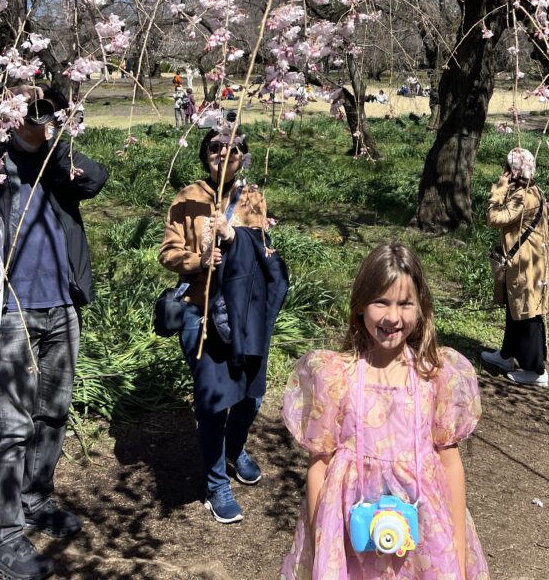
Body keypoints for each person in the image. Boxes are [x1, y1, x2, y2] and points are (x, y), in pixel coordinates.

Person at [280, 244, 489, 580]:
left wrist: (459, 559)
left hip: (425, 540)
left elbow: (451, 464)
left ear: (421, 308)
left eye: (405, 303)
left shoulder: (435, 376)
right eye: (381, 302)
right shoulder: (335, 378)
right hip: (351, 540)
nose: (393, 317)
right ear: (361, 305)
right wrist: (324, 549)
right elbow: (319, 466)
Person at [0, 85, 109, 580]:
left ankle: (36, 498)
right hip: (10, 309)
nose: (33, 117)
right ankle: (3, 535)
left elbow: (97, 179)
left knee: (53, 411)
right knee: (11, 427)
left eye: (43, 109)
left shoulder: (58, 160)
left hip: (61, 304)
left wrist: (57, 138)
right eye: (24, 107)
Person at [159, 129, 288, 524]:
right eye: (215, 146)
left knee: (251, 397)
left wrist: (236, 238)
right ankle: (217, 484)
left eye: (234, 147)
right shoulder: (187, 198)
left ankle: (235, 448)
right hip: (200, 313)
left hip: (244, 315)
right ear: (204, 153)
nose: (224, 152)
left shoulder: (252, 198)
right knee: (213, 404)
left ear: (243, 155)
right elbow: (167, 252)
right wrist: (201, 261)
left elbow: (265, 251)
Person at [481, 147, 549, 387]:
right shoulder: (532, 189)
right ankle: (506, 355)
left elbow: (495, 219)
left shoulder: (523, 196)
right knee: (517, 310)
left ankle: (536, 370)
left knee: (528, 315)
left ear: (512, 171)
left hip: (527, 264)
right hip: (528, 261)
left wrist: (497, 192)